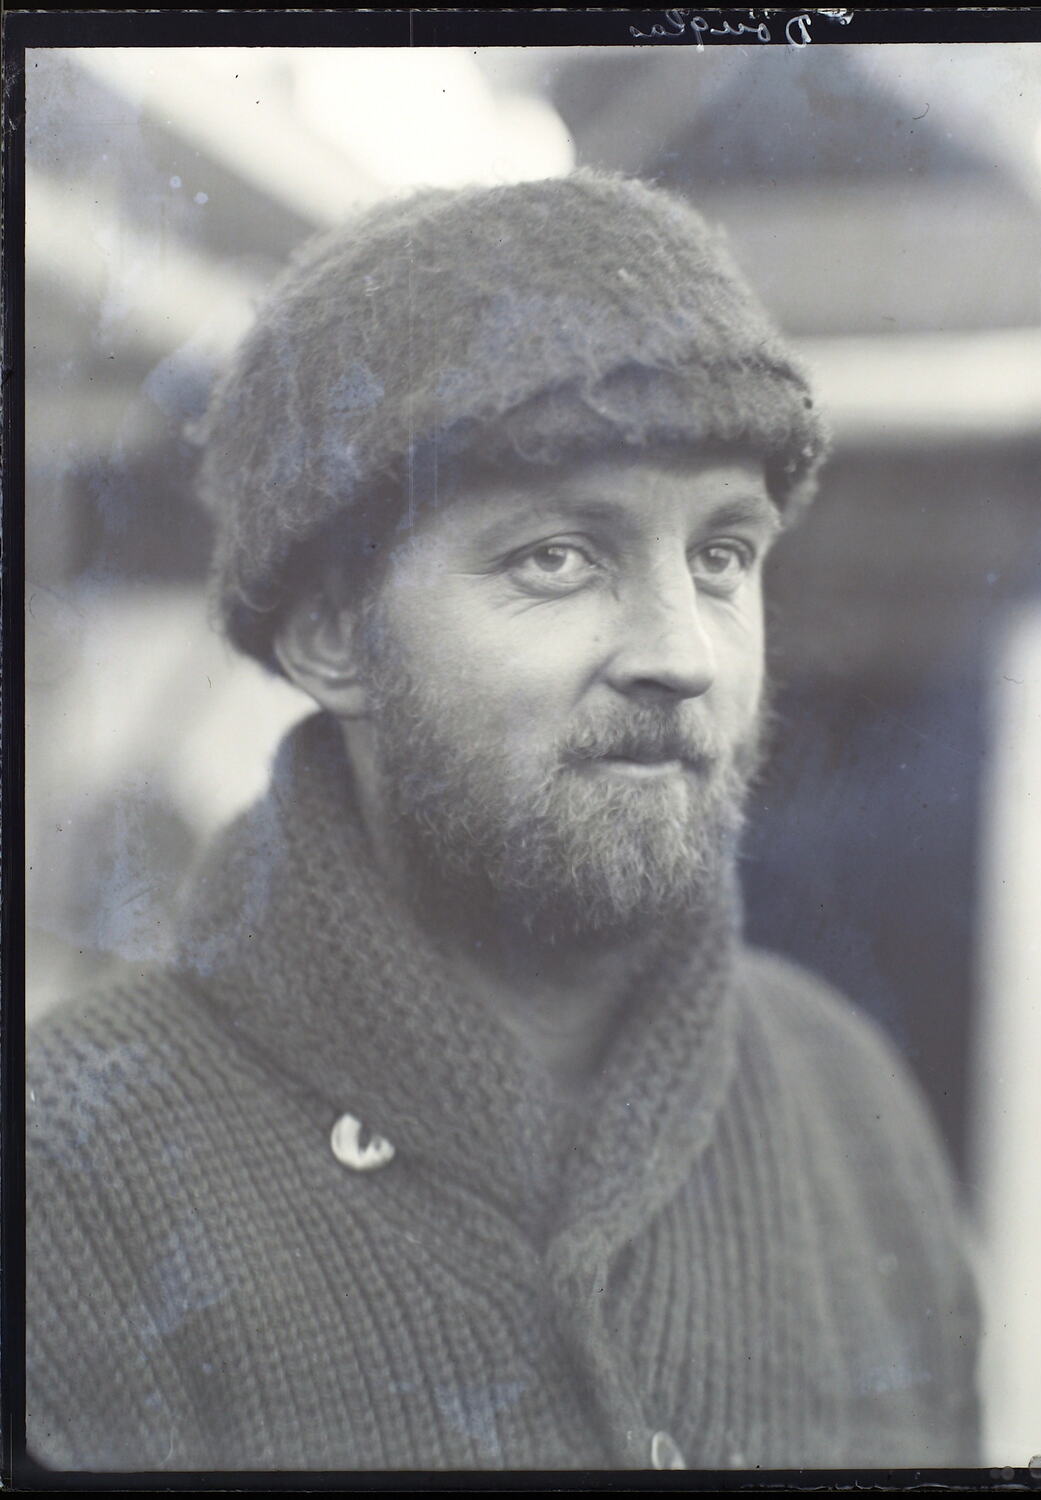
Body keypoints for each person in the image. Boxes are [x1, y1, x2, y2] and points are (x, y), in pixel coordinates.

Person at [25, 171, 980, 1472]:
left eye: (722, 557)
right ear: (331, 636)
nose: (680, 655)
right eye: (558, 557)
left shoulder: (849, 1103)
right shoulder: (65, 1175)